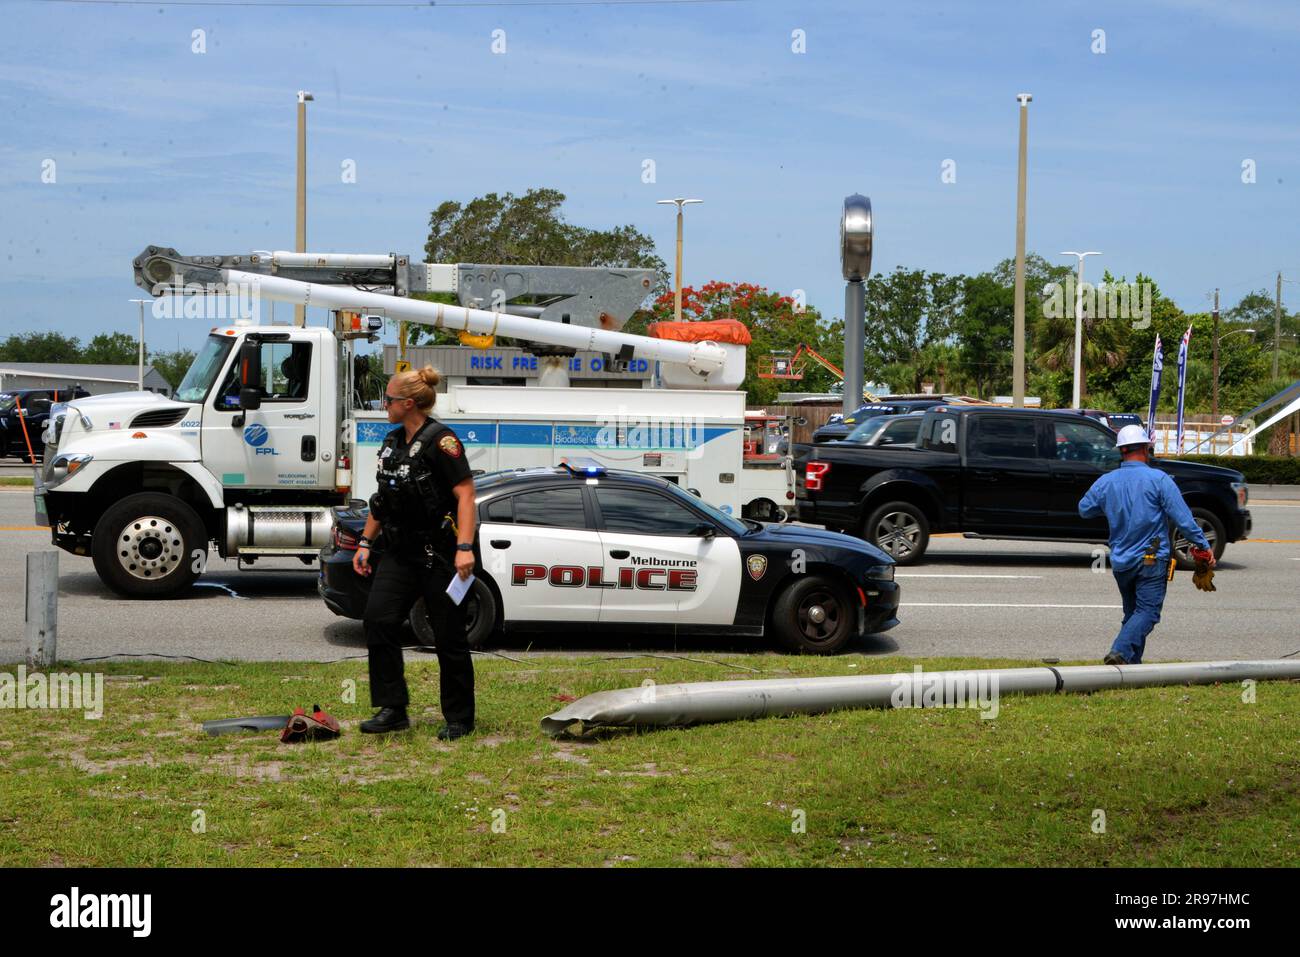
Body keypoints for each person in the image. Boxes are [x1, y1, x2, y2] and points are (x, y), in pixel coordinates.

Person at [353, 366, 478, 739]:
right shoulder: (392, 442)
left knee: (448, 637)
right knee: (379, 619)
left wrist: (464, 548)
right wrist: (365, 542)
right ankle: (393, 708)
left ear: (408, 403)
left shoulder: (443, 442)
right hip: (400, 550)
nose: (384, 405)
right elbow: (383, 500)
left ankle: (459, 718)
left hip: (440, 553)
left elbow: (466, 494)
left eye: (388, 400)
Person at [1078, 424, 1215, 665]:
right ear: (1145, 448)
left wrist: (1112, 505)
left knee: (1133, 615)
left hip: (1121, 561)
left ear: (1121, 451)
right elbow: (1184, 519)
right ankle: (1119, 651)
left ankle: (1131, 668)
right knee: (1148, 613)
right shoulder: (1159, 479)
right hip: (1151, 560)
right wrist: (1203, 546)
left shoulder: (1106, 481)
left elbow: (1084, 509)